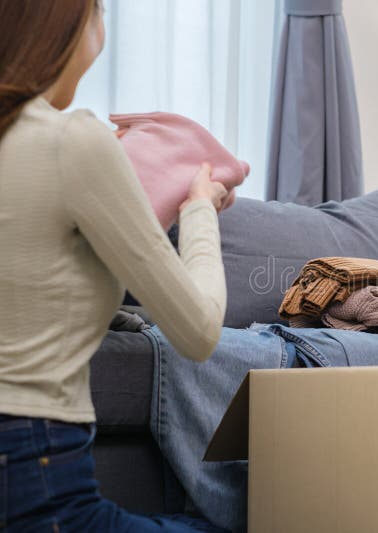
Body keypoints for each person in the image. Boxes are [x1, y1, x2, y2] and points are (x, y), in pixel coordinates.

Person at [0, 1, 232, 531]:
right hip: (36, 475)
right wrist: (199, 210)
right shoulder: (72, 142)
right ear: (70, 27)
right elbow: (198, 331)